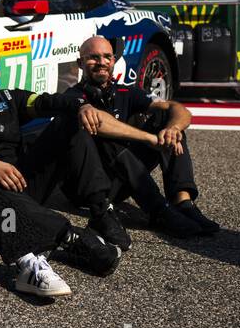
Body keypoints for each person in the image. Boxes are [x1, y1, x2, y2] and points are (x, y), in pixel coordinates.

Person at [0, 42, 124, 298]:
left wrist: (81, 106)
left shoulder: (8, 98)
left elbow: (49, 101)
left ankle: (101, 211)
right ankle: (69, 237)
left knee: (68, 124)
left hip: (21, 185)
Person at [67, 36, 220, 239]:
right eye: (93, 58)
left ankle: (183, 203)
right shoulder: (72, 96)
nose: (102, 62)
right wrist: (150, 139)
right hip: (91, 187)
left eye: (106, 57)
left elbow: (178, 109)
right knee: (107, 137)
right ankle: (159, 211)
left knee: (167, 120)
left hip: (123, 175)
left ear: (113, 60)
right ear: (80, 63)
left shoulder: (124, 91)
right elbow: (101, 124)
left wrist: (173, 128)